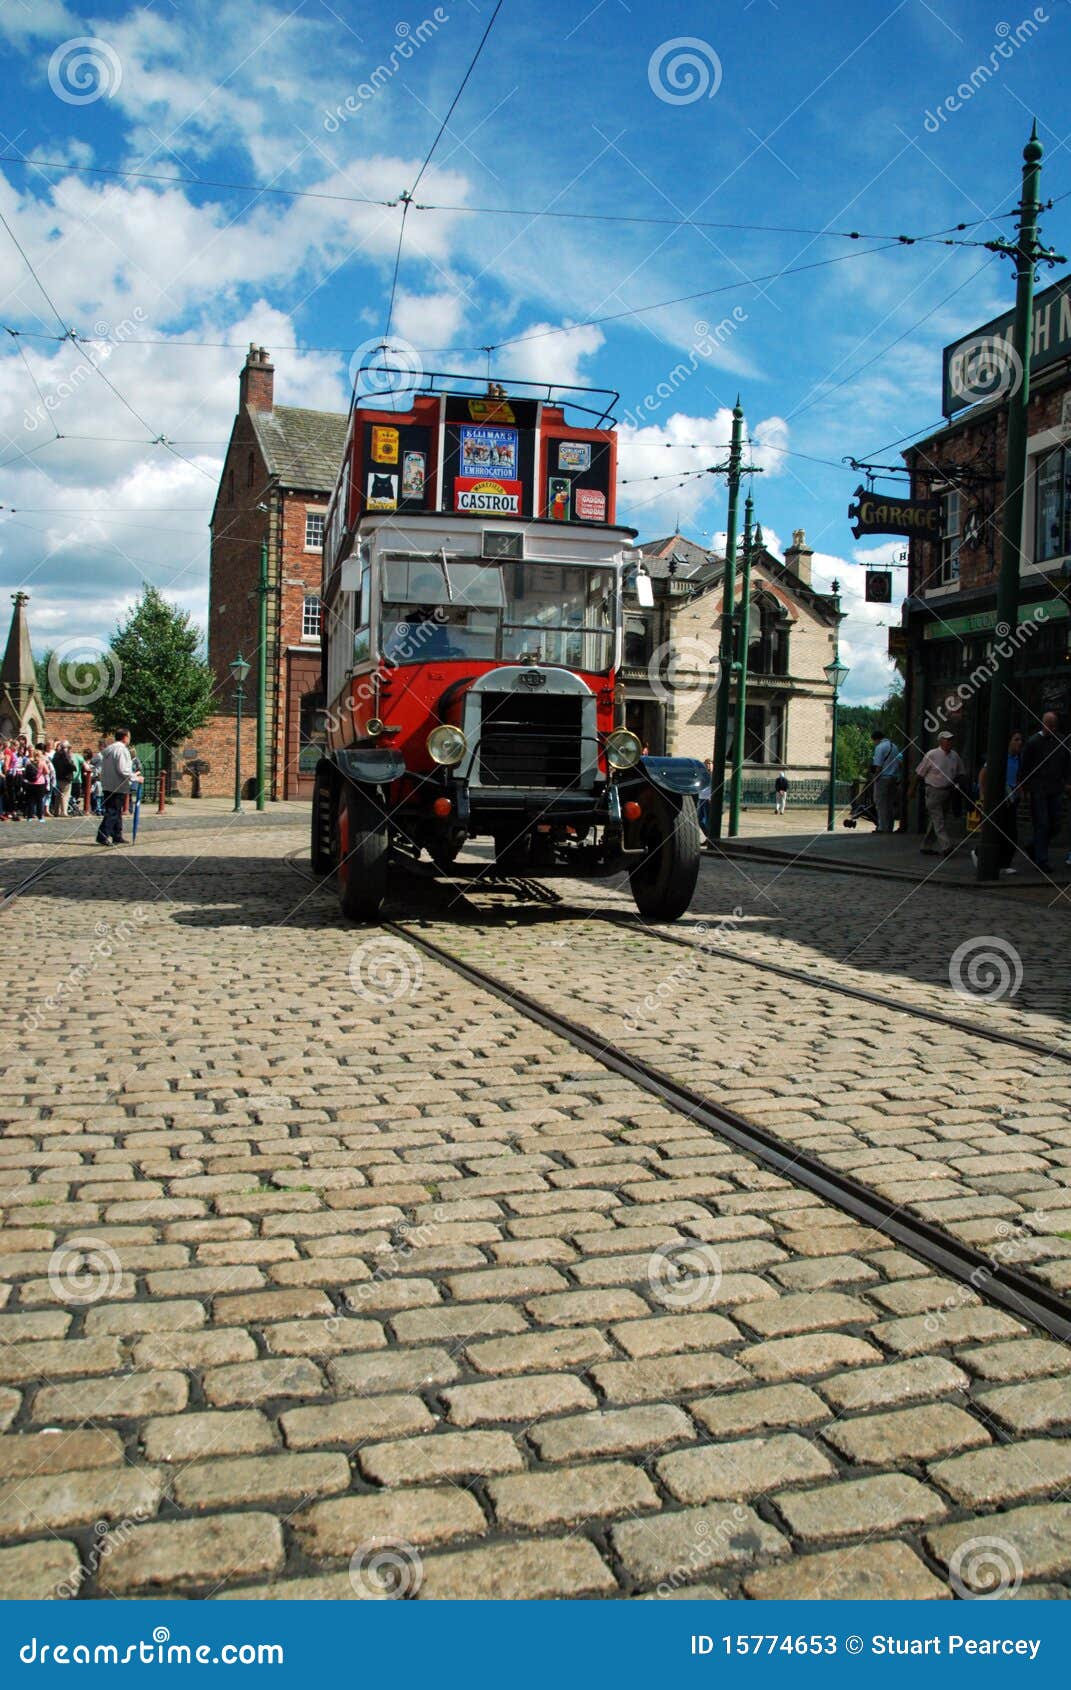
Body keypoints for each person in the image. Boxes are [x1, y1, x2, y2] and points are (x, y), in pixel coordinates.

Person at [1019, 710, 1071, 873]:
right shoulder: (1033, 742)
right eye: (1048, 725)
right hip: (1039, 788)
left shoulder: (1061, 741)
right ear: (1043, 724)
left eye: (1053, 726)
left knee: (1055, 824)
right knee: (1042, 824)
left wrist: (1067, 782)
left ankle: (1034, 846)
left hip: (1055, 787)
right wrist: (1025, 787)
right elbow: (1025, 766)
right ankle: (1041, 859)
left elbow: (1067, 763)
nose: (1051, 729)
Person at [972, 729, 1024, 874]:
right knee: (997, 831)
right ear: (1009, 742)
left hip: (1012, 799)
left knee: (1011, 832)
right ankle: (979, 853)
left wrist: (1020, 790)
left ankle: (1004, 863)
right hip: (999, 798)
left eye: (1021, 740)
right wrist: (983, 795)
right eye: (1016, 739)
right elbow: (983, 774)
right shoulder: (1000, 757)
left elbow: (1016, 777)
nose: (1020, 743)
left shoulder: (1018, 758)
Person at [910, 729, 966, 856]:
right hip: (933, 790)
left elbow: (961, 773)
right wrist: (912, 789)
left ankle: (926, 845)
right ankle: (946, 845)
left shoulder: (954, 756)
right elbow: (919, 773)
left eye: (951, 739)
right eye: (947, 739)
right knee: (938, 819)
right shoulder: (932, 754)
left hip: (947, 791)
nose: (949, 742)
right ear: (940, 741)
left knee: (937, 820)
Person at [96, 728, 141, 846]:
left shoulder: (109, 749)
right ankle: (103, 835)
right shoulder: (121, 750)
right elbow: (123, 769)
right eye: (129, 736)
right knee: (112, 811)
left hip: (108, 784)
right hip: (117, 785)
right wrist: (135, 777)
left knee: (116, 811)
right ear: (125, 737)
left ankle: (117, 835)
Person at [870, 727, 903, 834]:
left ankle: (882, 827)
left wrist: (874, 778)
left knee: (881, 804)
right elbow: (900, 763)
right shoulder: (895, 747)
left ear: (876, 739)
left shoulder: (880, 747)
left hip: (883, 778)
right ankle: (890, 827)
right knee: (890, 804)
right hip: (893, 778)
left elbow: (878, 766)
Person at [52, 740, 75, 818]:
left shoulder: (56, 755)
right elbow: (71, 766)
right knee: (65, 795)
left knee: (58, 795)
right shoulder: (66, 756)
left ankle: (56, 811)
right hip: (66, 777)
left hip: (58, 776)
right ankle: (64, 812)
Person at [698, 758, 713, 836]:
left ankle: (709, 837)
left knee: (707, 820)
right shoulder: (702, 775)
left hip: (708, 799)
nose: (708, 766)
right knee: (700, 820)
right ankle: (708, 835)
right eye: (706, 764)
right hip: (701, 798)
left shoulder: (715, 776)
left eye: (709, 764)